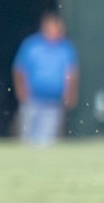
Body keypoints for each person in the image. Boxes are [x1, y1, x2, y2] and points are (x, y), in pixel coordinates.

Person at [11, 11, 79, 146]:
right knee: (27, 138)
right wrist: (21, 91)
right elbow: (19, 70)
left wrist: (70, 95)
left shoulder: (66, 48)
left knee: (48, 140)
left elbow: (71, 74)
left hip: (54, 103)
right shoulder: (31, 45)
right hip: (32, 100)